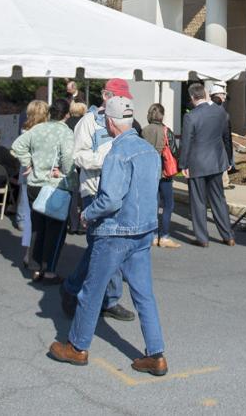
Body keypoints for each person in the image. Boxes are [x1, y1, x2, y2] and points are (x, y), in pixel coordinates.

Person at [47, 96, 168, 377]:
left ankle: (77, 347)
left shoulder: (116, 152)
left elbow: (111, 199)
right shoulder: (149, 151)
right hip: (142, 229)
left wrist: (88, 214)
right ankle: (156, 354)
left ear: (110, 123)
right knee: (144, 294)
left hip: (115, 231)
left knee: (92, 291)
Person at [61, 79, 137, 320]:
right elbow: (77, 156)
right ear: (106, 96)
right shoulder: (88, 122)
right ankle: (79, 290)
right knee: (102, 245)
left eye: (125, 98)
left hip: (119, 191)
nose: (124, 102)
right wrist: (105, 160)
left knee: (110, 245)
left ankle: (105, 298)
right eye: (119, 97)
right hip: (94, 192)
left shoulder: (126, 118)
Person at [10, 99, 75, 281]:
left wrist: (28, 162)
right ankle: (49, 271)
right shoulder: (65, 132)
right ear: (67, 114)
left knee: (38, 227)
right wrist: (65, 171)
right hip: (54, 185)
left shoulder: (38, 128)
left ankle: (36, 267)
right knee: (55, 230)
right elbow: (67, 157)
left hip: (34, 184)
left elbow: (17, 146)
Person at [179, 81, 236, 247]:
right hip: (216, 161)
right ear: (205, 94)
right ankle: (228, 236)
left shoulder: (190, 116)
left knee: (198, 201)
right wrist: (228, 159)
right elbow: (226, 136)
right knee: (219, 199)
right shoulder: (220, 112)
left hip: (197, 163)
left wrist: (183, 165)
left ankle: (202, 238)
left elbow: (186, 142)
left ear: (192, 97)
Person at [140, 103, 181, 249]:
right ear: (162, 115)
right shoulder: (166, 130)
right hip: (164, 171)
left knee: (153, 203)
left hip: (148, 170)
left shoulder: (144, 130)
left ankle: (152, 236)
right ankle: (164, 237)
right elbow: (174, 151)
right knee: (168, 204)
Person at [209, 81, 236, 189]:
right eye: (223, 94)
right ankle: (222, 183)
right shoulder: (223, 114)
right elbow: (227, 138)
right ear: (218, 95)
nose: (225, 97)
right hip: (220, 149)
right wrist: (229, 158)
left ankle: (223, 182)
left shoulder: (203, 111)